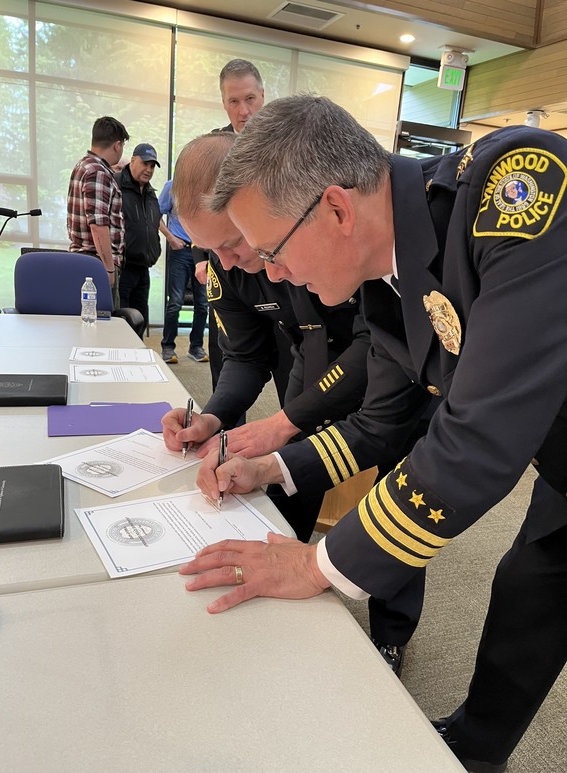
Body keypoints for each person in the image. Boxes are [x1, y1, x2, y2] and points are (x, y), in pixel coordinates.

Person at [180, 95, 567, 773]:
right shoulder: (387, 276)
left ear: (335, 208)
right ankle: (475, 751)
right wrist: (272, 468)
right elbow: (380, 423)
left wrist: (318, 565)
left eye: (271, 251)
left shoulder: (519, 187)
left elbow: (478, 439)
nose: (270, 274)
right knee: (529, 596)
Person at [162, 131, 369, 545]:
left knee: (392, 495)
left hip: (380, 356)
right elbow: (245, 356)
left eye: (232, 243)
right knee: (289, 477)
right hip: (310, 354)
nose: (225, 263)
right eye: (209, 249)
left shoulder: (322, 236)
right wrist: (213, 416)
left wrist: (283, 422)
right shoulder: (225, 265)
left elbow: (377, 344)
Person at [203, 59, 266, 396]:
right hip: (230, 271)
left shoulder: (287, 144)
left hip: (280, 270)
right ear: (224, 103)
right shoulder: (214, 151)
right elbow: (202, 213)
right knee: (231, 357)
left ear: (263, 96)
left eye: (250, 99)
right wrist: (205, 257)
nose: (244, 111)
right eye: (234, 101)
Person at [67, 115, 129, 306]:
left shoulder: (83, 165)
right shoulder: (98, 172)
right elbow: (98, 225)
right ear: (117, 145)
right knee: (102, 321)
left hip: (86, 260)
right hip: (96, 263)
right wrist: (108, 269)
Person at [158, 178, 209, 364]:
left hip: (202, 251)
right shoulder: (172, 186)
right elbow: (155, 215)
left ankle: (196, 347)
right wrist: (171, 238)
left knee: (203, 303)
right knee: (176, 302)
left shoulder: (206, 185)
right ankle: (168, 346)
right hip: (180, 250)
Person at [115, 143, 162, 338]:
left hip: (143, 268)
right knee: (122, 321)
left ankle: (138, 352)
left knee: (140, 319)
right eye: (145, 163)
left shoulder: (150, 193)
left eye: (152, 166)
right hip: (123, 267)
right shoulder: (116, 185)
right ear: (133, 160)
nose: (149, 170)